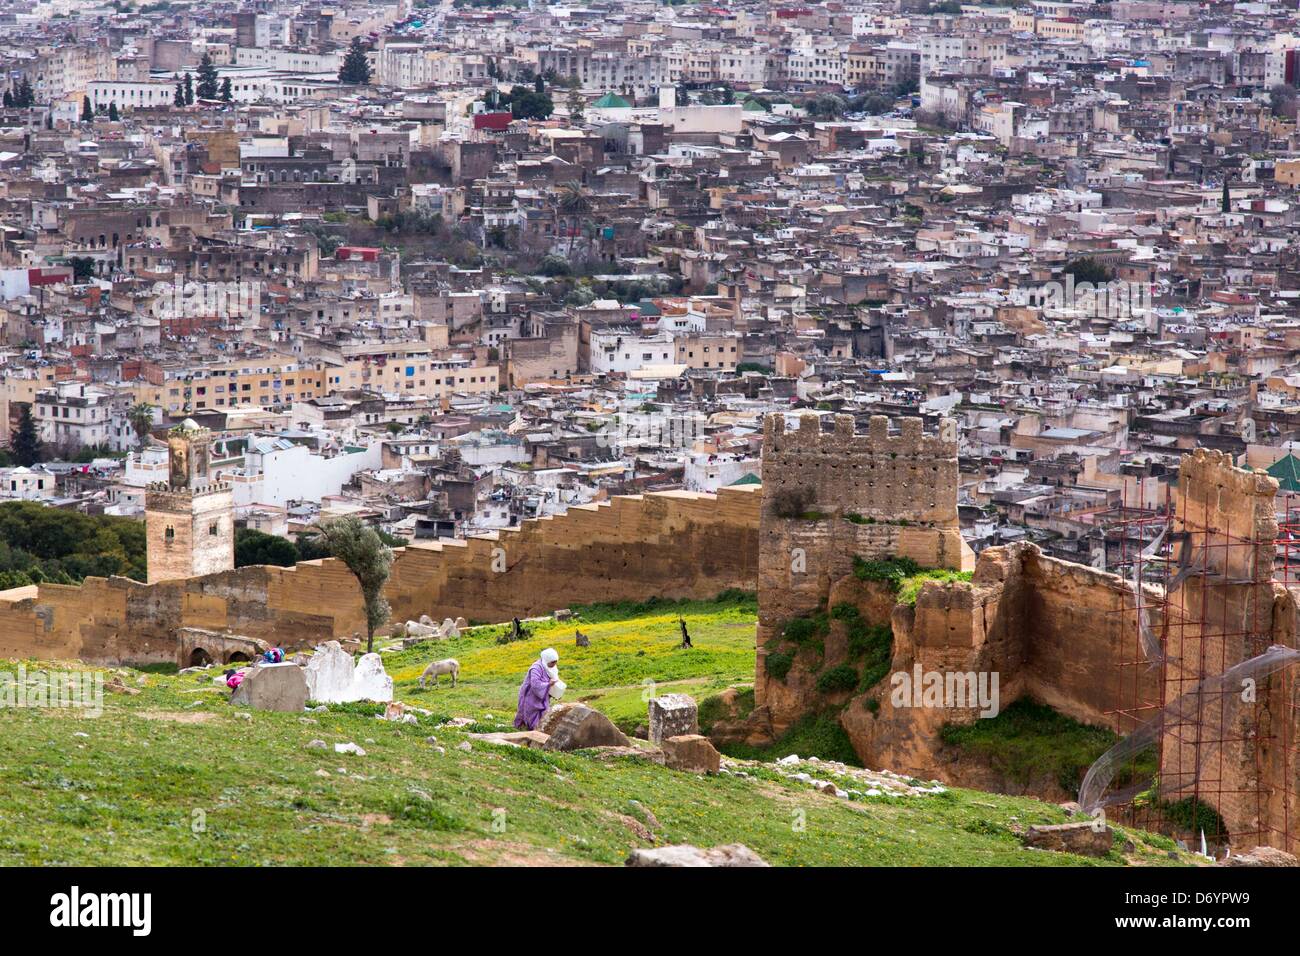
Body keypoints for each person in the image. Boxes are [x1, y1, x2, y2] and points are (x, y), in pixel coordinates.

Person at [514, 647, 560, 730]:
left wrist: (556, 692)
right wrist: (548, 684)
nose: (554, 664)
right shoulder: (536, 668)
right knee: (531, 712)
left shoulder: (551, 668)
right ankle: (528, 727)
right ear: (547, 660)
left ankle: (539, 728)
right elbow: (535, 684)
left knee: (544, 713)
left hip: (543, 695)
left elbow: (554, 679)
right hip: (531, 695)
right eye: (552, 662)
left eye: (555, 662)